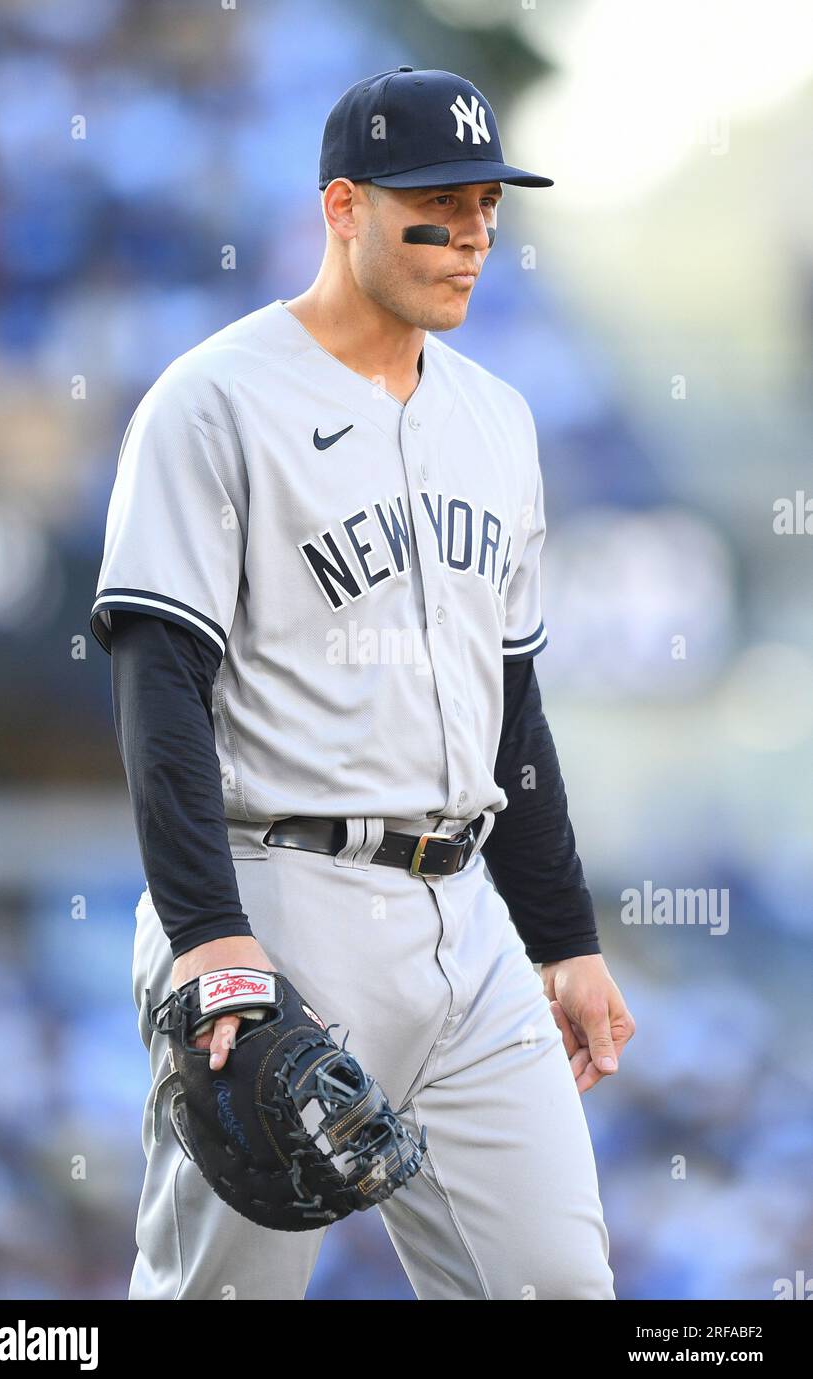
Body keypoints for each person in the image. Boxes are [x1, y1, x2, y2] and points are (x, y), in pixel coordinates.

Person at [91, 66, 634, 1301]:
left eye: (489, 205)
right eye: (435, 207)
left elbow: (515, 704)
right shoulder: (212, 400)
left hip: (470, 925)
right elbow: (159, 683)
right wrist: (210, 938)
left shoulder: (498, 420)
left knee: (557, 1284)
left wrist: (563, 939)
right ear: (343, 207)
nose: (472, 235)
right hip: (280, 901)